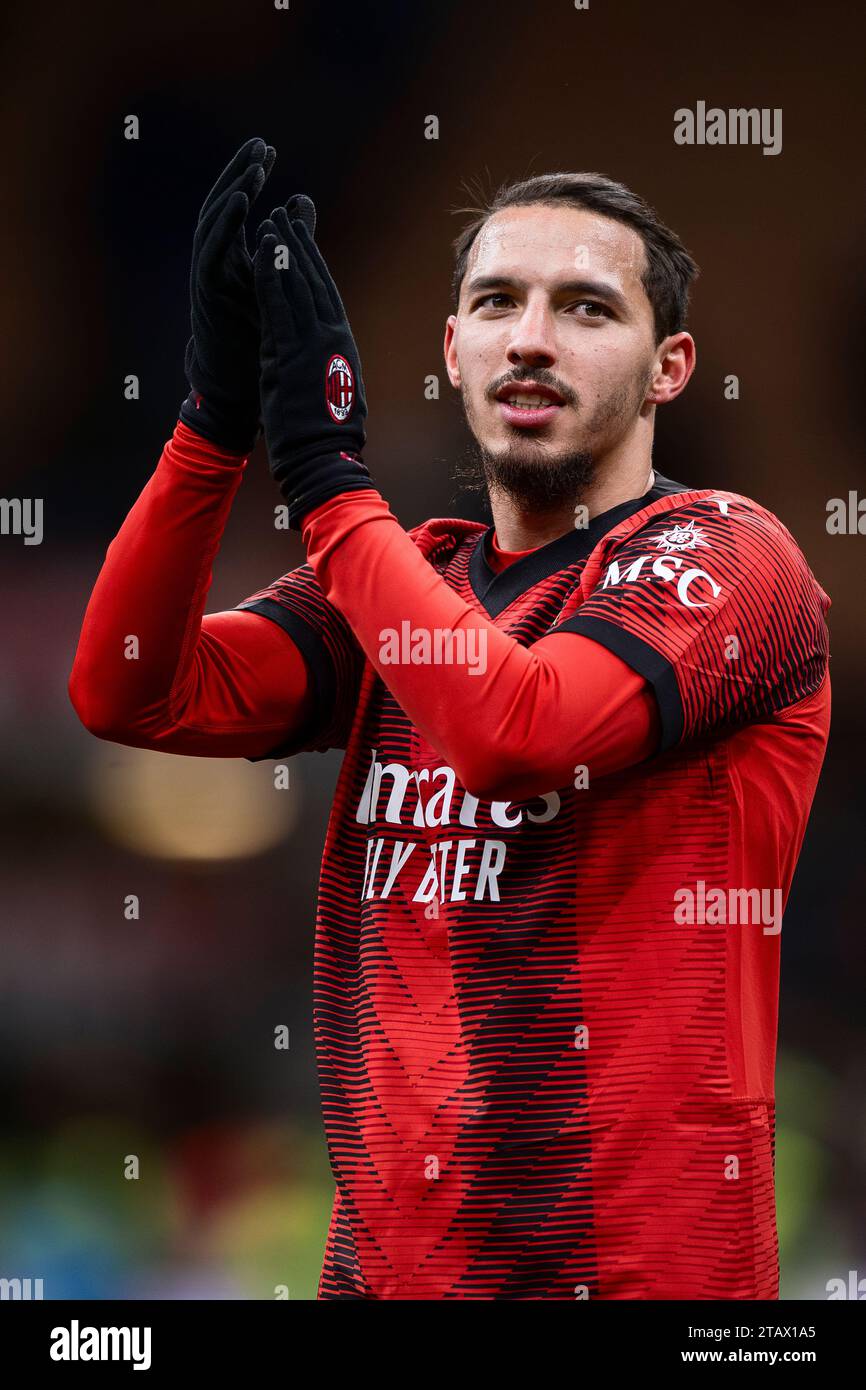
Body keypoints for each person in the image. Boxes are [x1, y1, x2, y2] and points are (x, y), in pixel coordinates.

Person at [69, 138, 831, 1299]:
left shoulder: (729, 556)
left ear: (668, 366)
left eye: (585, 308)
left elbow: (513, 731)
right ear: (452, 351)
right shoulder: (404, 575)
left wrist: (324, 470)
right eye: (495, 303)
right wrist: (215, 424)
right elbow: (129, 683)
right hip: (389, 1275)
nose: (530, 337)